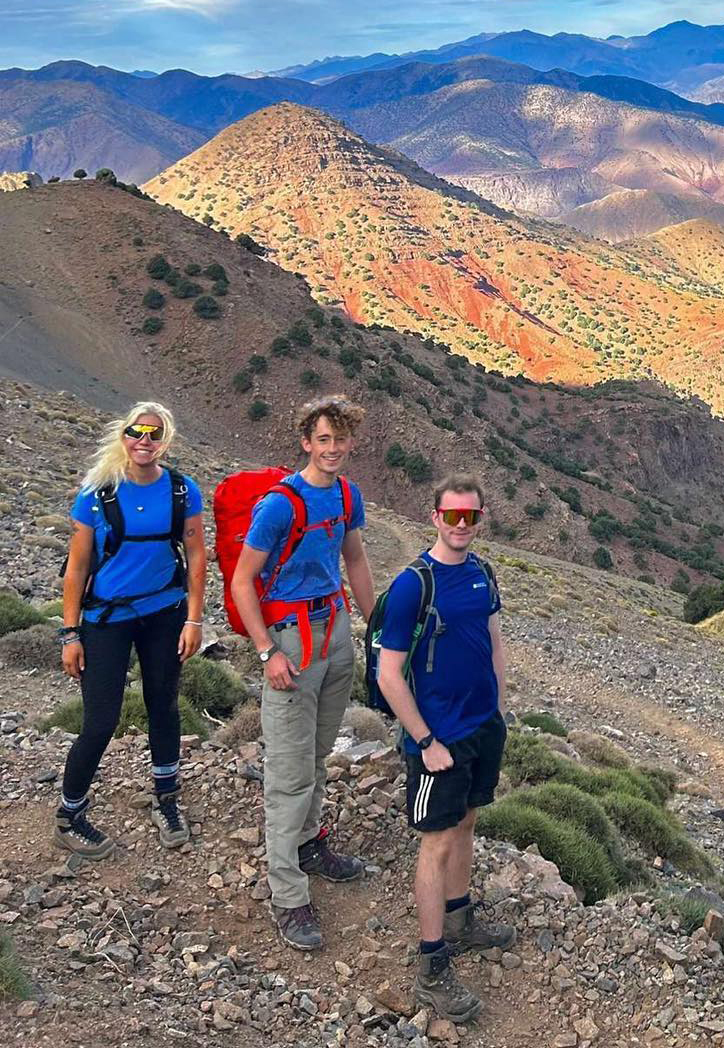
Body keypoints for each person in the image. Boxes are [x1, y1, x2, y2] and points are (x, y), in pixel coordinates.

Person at [231, 395, 376, 951]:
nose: (333, 449)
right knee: (289, 771)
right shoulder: (279, 506)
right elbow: (244, 580)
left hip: (335, 631)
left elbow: (355, 559)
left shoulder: (345, 495)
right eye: (323, 440)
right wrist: (267, 652)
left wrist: (373, 623)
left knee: (317, 752)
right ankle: (287, 893)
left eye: (340, 440)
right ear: (305, 442)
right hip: (291, 639)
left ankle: (311, 843)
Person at [377, 474, 516, 1021]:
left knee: (466, 824)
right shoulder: (415, 583)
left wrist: (500, 710)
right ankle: (432, 966)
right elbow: (390, 675)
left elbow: (495, 643)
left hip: (482, 727)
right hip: (437, 736)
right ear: (434, 516)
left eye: (471, 517)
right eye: (451, 516)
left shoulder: (483, 572)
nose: (461, 526)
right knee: (435, 844)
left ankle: (460, 920)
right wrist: (425, 741)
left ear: (482, 519)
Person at [56, 402, 206, 858]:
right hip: (106, 620)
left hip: (165, 613)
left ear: (166, 441)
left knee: (164, 705)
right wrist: (70, 633)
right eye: (135, 431)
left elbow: (198, 555)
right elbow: (77, 567)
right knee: (101, 720)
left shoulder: (182, 491)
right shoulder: (98, 493)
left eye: (154, 433)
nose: (144, 439)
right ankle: (69, 814)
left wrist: (195, 619)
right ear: (123, 436)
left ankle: (166, 798)